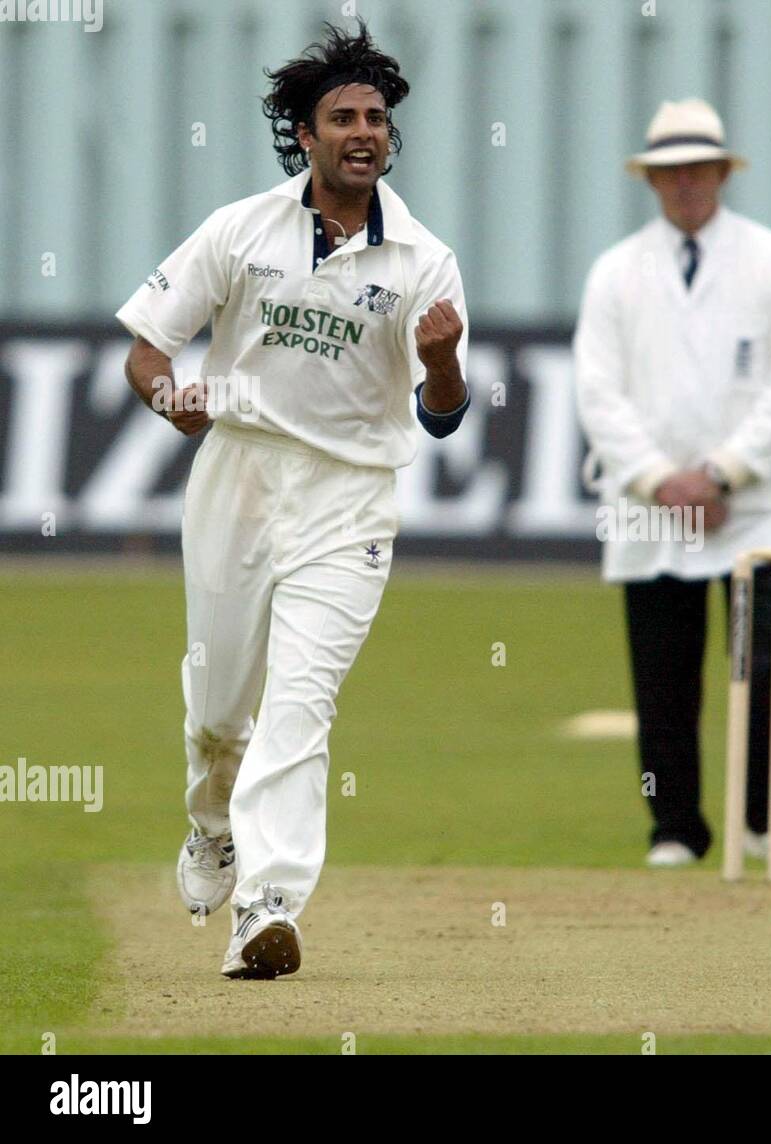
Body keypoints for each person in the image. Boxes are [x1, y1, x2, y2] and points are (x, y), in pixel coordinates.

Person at [115, 22, 470, 979]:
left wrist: (441, 366)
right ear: (304, 137)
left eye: (378, 119)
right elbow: (148, 347)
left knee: (299, 708)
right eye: (343, 117)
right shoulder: (241, 229)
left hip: (350, 497)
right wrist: (168, 398)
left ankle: (267, 908)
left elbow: (440, 419)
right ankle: (209, 828)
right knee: (220, 715)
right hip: (238, 474)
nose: (364, 131)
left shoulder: (424, 262)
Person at [575, 98, 771, 869]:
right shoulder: (616, 270)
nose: (685, 183)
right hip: (652, 508)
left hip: (759, 503)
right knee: (664, 676)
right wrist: (663, 482)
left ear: (721, 172)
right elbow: (598, 393)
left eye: (698, 168)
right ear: (653, 180)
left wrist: (720, 474)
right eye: (670, 171)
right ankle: (676, 828)